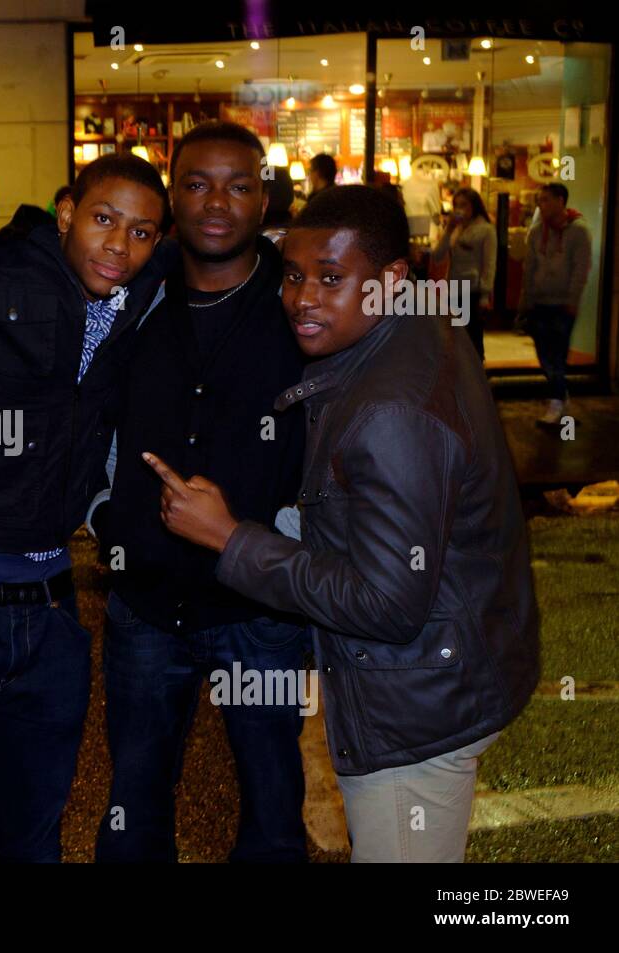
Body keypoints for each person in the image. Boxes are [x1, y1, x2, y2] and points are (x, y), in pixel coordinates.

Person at [146, 184, 540, 862]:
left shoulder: (391, 407)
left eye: (332, 279)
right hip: (446, 675)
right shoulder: (415, 331)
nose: (303, 298)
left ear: (390, 280)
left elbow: (387, 603)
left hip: (413, 711)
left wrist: (229, 537)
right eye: (295, 275)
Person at [0, 154, 173, 862]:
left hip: (52, 606)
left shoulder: (140, 299)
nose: (119, 245)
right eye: (103, 220)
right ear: (65, 214)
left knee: (32, 836)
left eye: (142, 233)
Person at [89, 121, 309, 863]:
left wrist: (294, 539)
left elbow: (347, 432)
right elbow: (85, 404)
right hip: (146, 605)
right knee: (134, 808)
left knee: (275, 816)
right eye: (196, 184)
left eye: (238, 185)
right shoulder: (135, 293)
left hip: (262, 611)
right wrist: (103, 511)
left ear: (265, 198)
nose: (217, 202)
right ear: (172, 196)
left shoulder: (300, 303)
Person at [518, 182, 592, 426]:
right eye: (540, 200)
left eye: (546, 199)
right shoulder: (538, 231)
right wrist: (526, 301)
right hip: (540, 300)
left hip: (562, 303)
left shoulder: (578, 231)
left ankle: (556, 402)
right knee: (544, 354)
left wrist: (572, 299)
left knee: (556, 356)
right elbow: (529, 268)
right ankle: (561, 400)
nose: (542, 204)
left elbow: (580, 269)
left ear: (561, 201)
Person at [432, 187, 495, 360]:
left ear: (474, 206)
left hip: (472, 289)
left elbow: (489, 264)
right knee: (452, 336)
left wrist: (485, 294)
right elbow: (438, 256)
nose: (460, 209)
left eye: (464, 205)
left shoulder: (485, 230)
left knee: (472, 337)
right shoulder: (456, 229)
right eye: (457, 205)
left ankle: (477, 377)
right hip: (453, 288)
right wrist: (449, 230)